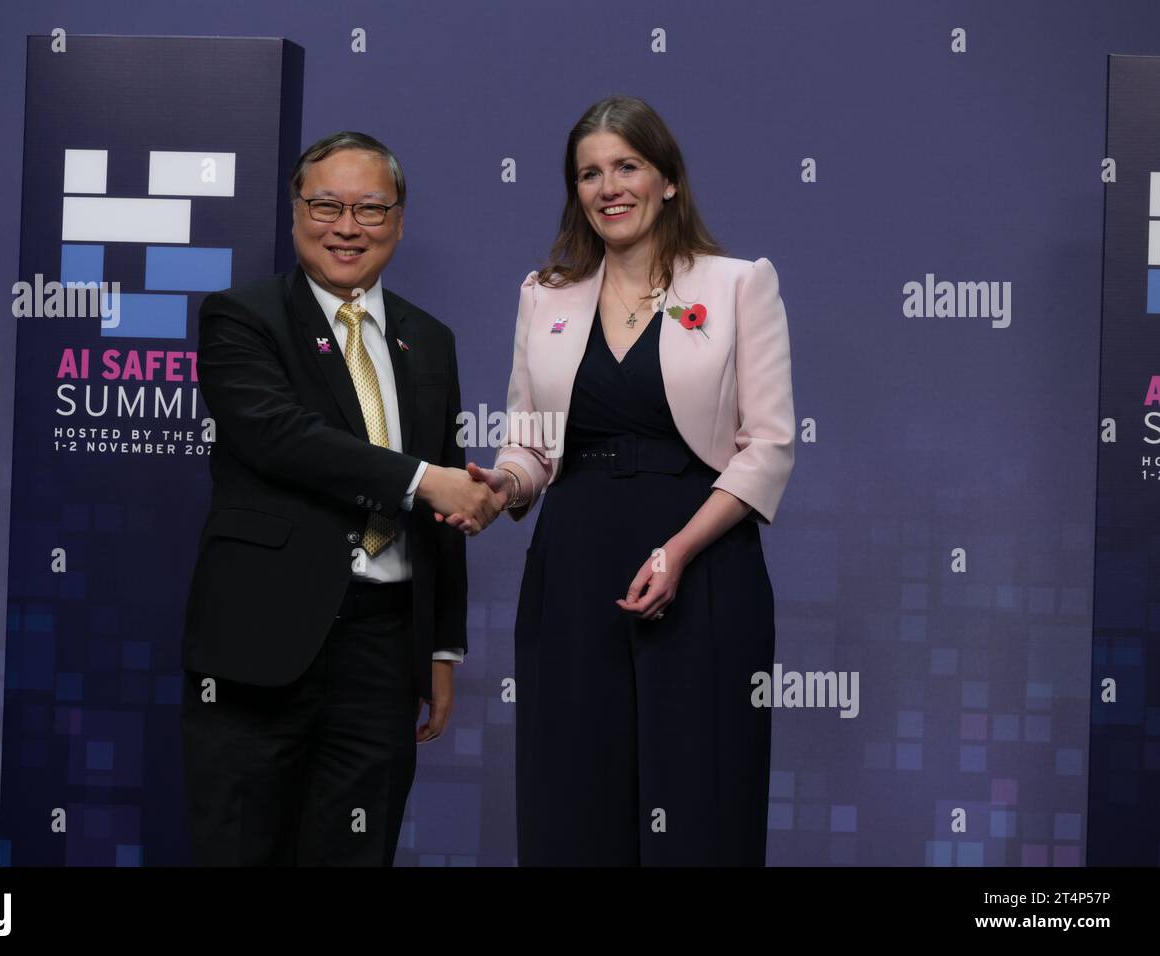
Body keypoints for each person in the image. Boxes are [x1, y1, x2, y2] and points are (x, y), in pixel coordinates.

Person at [449, 95, 796, 864]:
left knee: (702, 793)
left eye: (627, 167)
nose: (610, 187)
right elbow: (532, 444)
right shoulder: (544, 296)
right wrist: (501, 487)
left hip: (703, 560)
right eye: (589, 173)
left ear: (667, 178)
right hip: (573, 565)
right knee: (571, 791)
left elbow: (767, 447)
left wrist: (678, 552)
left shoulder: (740, 285)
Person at [180, 131, 500, 866]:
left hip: (383, 652)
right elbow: (280, 437)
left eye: (369, 209)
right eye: (326, 205)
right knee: (239, 848)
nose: (347, 227)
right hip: (258, 641)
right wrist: (422, 480)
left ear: (398, 221)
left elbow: (448, 500)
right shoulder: (241, 316)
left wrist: (440, 647)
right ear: (295, 214)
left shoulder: (432, 339)